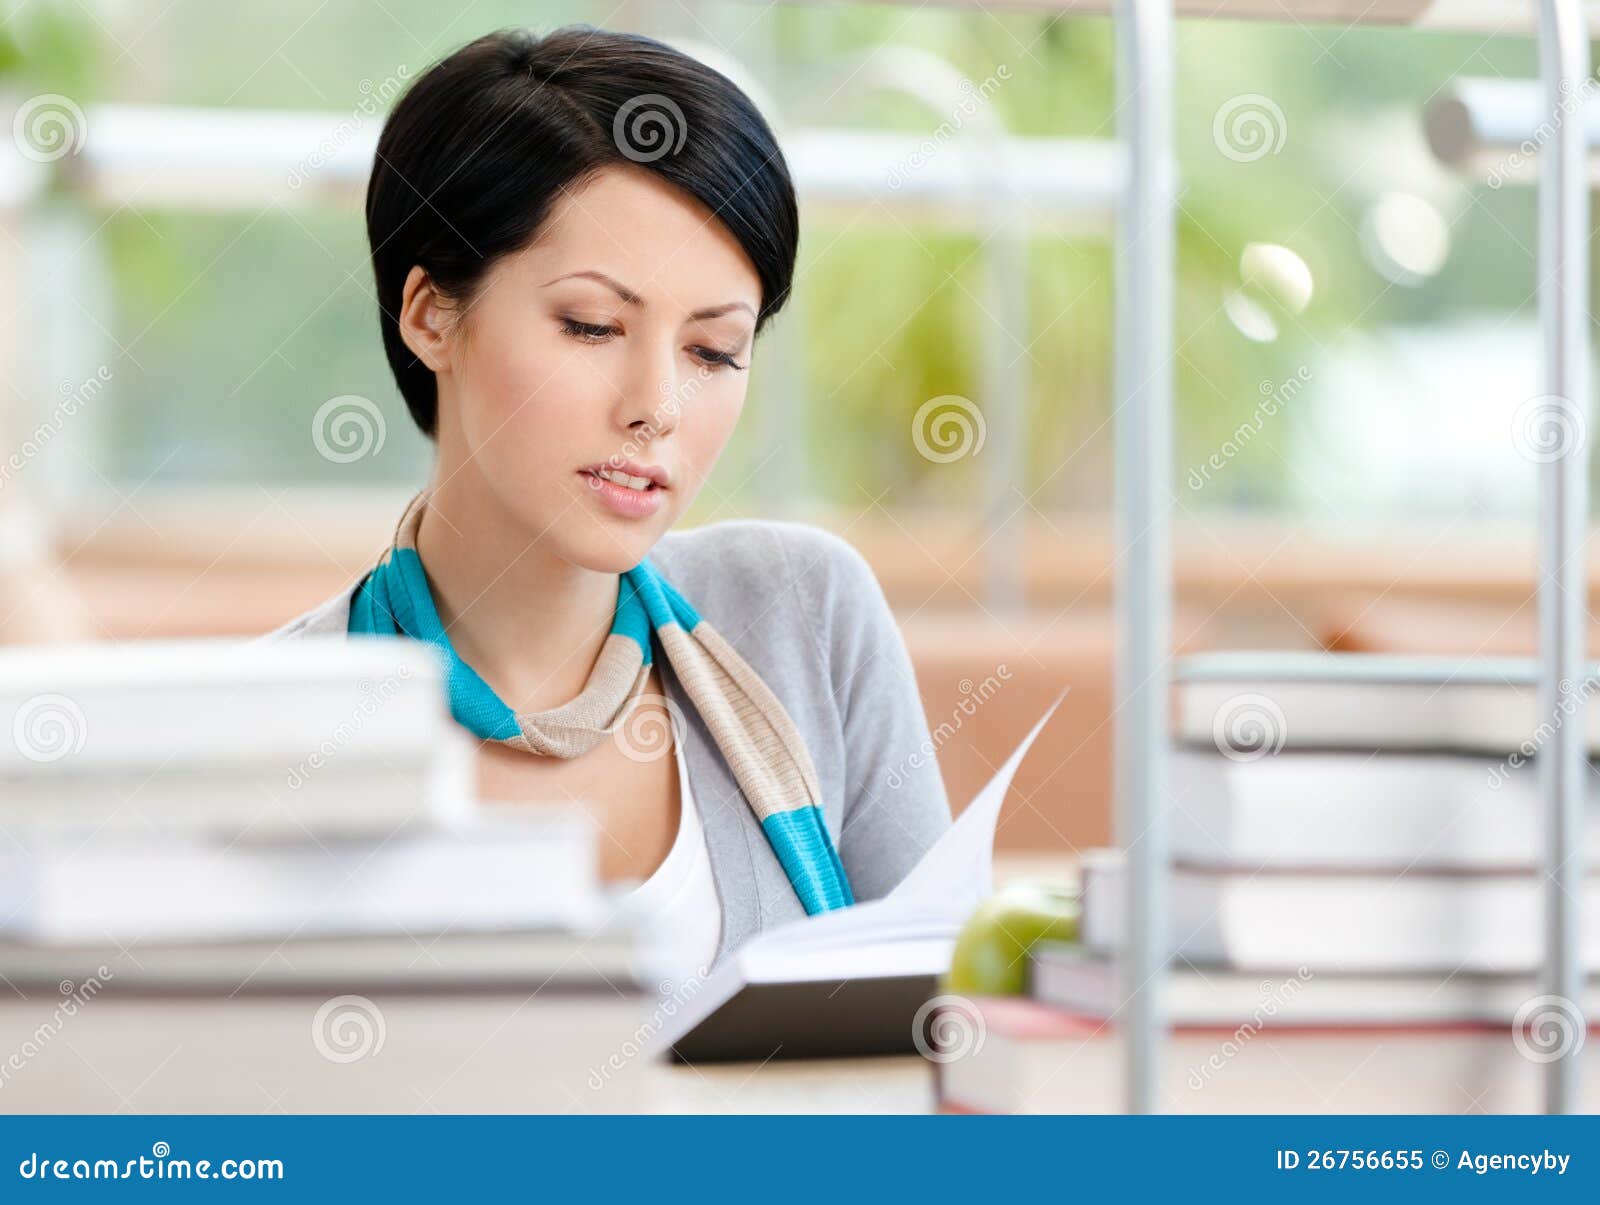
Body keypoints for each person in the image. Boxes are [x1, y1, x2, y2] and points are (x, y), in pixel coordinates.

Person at [265, 25, 951, 978]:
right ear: (430, 313)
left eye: (712, 351)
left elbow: (945, 1034)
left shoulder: (803, 617)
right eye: (591, 326)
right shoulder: (272, 729)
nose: (656, 409)